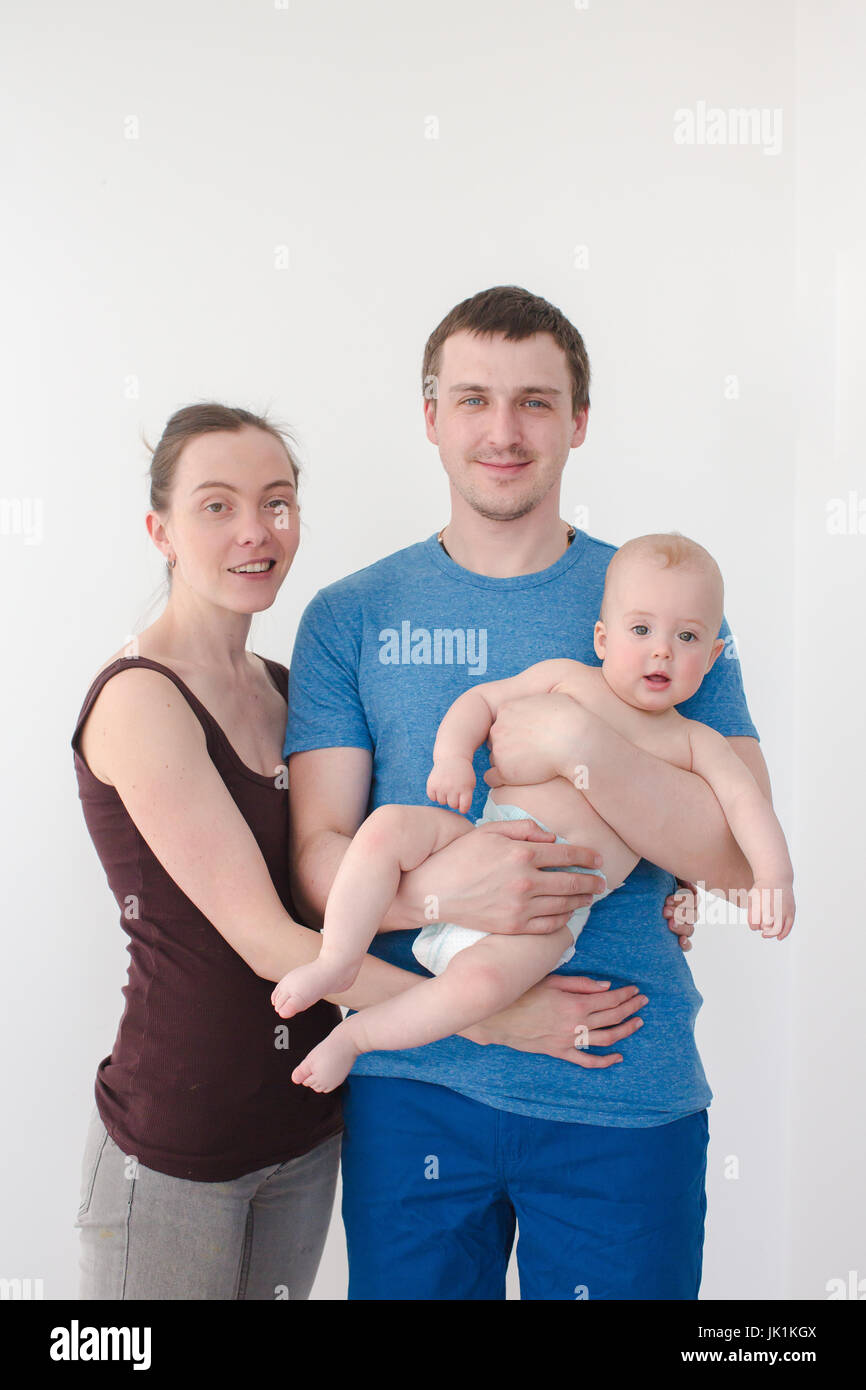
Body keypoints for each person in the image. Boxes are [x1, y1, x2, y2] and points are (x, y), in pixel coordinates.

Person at [71, 401, 659, 1300]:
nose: (255, 530)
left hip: (302, 1126)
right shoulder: (141, 700)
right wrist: (493, 1012)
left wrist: (634, 881)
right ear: (160, 530)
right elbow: (273, 941)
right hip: (178, 1133)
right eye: (216, 505)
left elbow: (330, 884)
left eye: (277, 501)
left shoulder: (280, 690)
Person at [284, 285, 773, 1300]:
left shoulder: (660, 606)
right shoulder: (350, 615)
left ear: (578, 421)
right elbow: (319, 852)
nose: (502, 431)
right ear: (430, 418)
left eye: (535, 402)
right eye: (471, 399)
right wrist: (447, 896)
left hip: (620, 1085)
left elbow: (729, 859)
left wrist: (579, 746)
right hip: (417, 1087)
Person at [272, 532, 794, 1093]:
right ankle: (337, 960)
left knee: (480, 988)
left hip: (553, 911)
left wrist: (773, 878)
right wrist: (452, 758)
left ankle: (357, 1038)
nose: (661, 650)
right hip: (479, 835)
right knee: (387, 828)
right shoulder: (567, 678)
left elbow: (745, 808)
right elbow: (482, 702)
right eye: (640, 630)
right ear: (602, 636)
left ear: (713, 656)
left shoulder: (695, 743)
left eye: (686, 637)